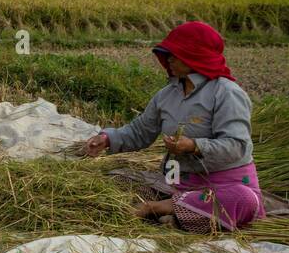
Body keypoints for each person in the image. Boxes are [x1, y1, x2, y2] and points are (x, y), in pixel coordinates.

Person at [83, 21, 264, 232]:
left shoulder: (226, 93)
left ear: (194, 55)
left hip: (222, 188)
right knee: (118, 179)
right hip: (176, 184)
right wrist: (107, 139)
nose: (168, 58)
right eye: (166, 53)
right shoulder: (167, 95)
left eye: (174, 53)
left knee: (244, 200)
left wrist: (194, 146)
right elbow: (140, 131)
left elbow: (237, 146)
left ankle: (157, 209)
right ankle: (179, 213)